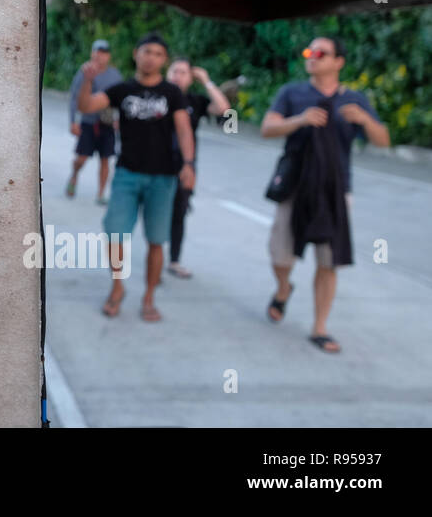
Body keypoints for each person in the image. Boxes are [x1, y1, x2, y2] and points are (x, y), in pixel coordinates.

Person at [261, 36, 388, 354]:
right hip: (295, 186)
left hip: (335, 191)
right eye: (309, 52)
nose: (313, 57)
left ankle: (320, 327)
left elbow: (383, 140)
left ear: (339, 61)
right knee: (280, 255)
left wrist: (365, 120)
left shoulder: (355, 99)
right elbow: (267, 128)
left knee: (329, 262)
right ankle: (283, 288)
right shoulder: (292, 93)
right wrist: (300, 119)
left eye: (321, 53)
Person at [77, 33, 194, 322]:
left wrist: (188, 164)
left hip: (163, 178)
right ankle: (118, 287)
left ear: (163, 59)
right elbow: (87, 107)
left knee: (156, 241)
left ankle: (149, 297)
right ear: (135, 54)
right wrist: (88, 80)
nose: (151, 57)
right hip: (127, 174)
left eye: (157, 53)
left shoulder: (172, 93)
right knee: (114, 233)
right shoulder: (121, 89)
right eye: (146, 51)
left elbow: (183, 130)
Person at [163, 58, 230, 279]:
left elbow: (227, 115)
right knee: (156, 214)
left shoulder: (195, 101)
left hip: (185, 166)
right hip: (154, 165)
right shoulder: (157, 96)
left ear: (191, 79)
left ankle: (174, 260)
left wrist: (207, 81)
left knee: (178, 214)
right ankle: (152, 257)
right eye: (174, 71)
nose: (177, 76)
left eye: (183, 72)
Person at [66, 39, 123, 203]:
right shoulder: (85, 71)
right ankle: (74, 175)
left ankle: (100, 194)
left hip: (107, 124)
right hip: (88, 122)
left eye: (104, 53)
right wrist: (73, 122)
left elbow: (121, 99)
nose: (100, 56)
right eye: (97, 52)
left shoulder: (115, 75)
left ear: (108, 56)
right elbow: (74, 98)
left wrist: (119, 119)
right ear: (92, 53)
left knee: (106, 159)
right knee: (81, 158)